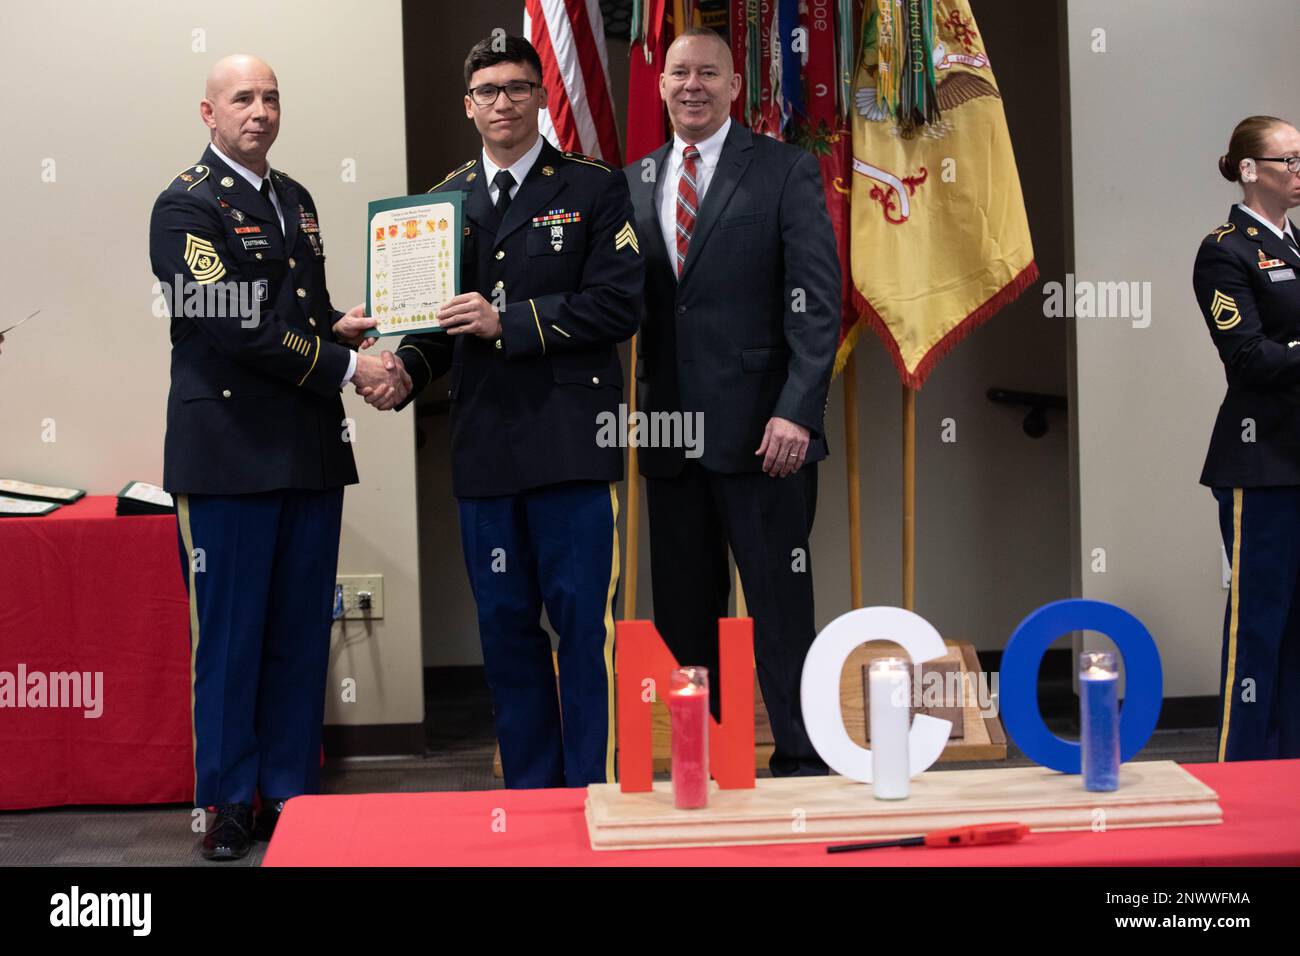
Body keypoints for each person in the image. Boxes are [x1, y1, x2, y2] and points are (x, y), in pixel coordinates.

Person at [338, 35, 642, 788]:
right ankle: (533, 800)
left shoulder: (594, 187)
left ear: (542, 96)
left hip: (572, 448)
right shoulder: (443, 203)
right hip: (486, 451)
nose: (501, 103)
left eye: (516, 87)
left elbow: (620, 303)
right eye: (486, 92)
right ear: (467, 105)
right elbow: (435, 327)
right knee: (505, 633)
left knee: (583, 632)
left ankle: (593, 793)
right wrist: (402, 369)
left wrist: (512, 323)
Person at [149, 54, 409, 859]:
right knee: (229, 636)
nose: (258, 111)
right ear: (208, 113)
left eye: (269, 97)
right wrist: (343, 366)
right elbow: (234, 325)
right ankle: (228, 802)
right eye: (241, 99)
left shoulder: (293, 199)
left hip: (305, 446)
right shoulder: (183, 207)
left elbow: (295, 310)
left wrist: (342, 326)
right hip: (227, 453)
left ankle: (293, 789)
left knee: (300, 628)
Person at [623, 27, 840, 776]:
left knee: (780, 608)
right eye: (679, 72)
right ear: (660, 86)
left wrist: (798, 410)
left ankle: (801, 755)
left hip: (765, 434)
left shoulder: (784, 170)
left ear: (735, 87)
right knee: (686, 612)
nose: (692, 85)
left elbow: (817, 302)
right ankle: (704, 757)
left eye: (709, 73)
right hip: (670, 435)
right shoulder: (633, 180)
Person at [1194, 114, 1300, 761]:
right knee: (1259, 625)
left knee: (1297, 628)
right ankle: (1244, 767)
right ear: (1249, 170)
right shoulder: (1225, 249)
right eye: (1288, 160)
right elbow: (1248, 357)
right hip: (1260, 463)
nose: (1299, 172)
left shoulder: (1295, 244)